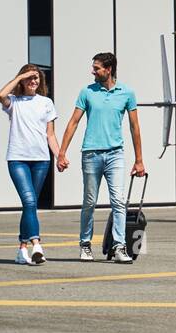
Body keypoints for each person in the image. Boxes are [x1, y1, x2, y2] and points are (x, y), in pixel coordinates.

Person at [57, 52, 145, 264]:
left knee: (118, 201)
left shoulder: (127, 93)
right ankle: (85, 244)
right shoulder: (87, 92)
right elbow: (73, 122)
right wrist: (62, 153)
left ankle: (119, 247)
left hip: (115, 154)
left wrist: (139, 160)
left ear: (109, 69)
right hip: (91, 154)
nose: (92, 71)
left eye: (96, 68)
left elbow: (135, 127)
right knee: (89, 201)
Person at [0, 64, 59, 265]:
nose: (34, 82)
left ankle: (21, 249)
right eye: (30, 78)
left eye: (37, 78)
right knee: (30, 202)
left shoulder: (46, 103)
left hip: (41, 160)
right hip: (18, 159)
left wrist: (60, 156)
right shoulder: (14, 102)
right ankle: (37, 245)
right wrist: (21, 75)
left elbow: (50, 134)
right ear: (22, 80)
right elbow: (0, 94)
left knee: (29, 205)